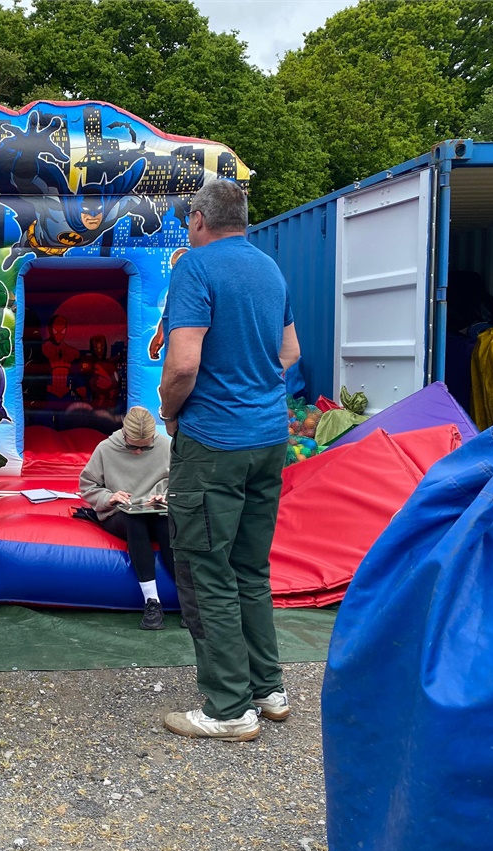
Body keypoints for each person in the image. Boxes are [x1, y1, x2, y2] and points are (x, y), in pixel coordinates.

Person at [157, 179, 302, 742]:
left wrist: (171, 413)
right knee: (249, 567)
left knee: (205, 569)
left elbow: (184, 364)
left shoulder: (195, 268)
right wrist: (256, 387)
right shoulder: (269, 270)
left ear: (198, 219)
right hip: (268, 439)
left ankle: (227, 708)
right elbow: (289, 352)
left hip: (214, 442)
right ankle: (267, 689)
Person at [78, 407, 177, 630]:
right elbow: (88, 486)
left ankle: (189, 604)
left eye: (146, 447)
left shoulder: (165, 446)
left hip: (156, 510)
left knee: (165, 521)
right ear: (123, 434)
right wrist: (109, 496)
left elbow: (180, 482)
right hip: (120, 515)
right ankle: (152, 601)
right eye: (132, 446)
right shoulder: (105, 449)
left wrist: (165, 496)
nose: (138, 452)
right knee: (135, 520)